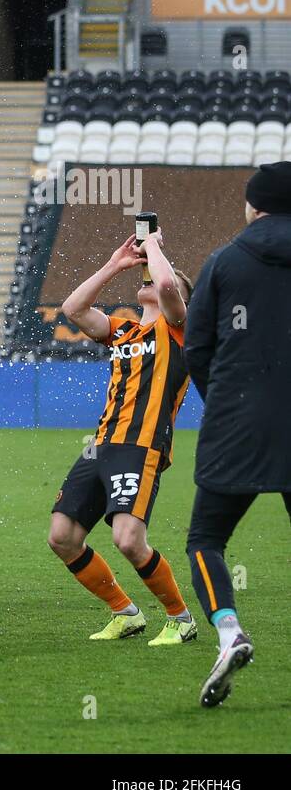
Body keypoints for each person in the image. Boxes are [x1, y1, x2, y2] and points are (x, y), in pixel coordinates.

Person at [47, 229, 197, 646]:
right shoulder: (124, 332)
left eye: (159, 278)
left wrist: (152, 246)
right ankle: (125, 613)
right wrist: (116, 264)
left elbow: (167, 284)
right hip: (100, 446)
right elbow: (73, 308)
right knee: (62, 537)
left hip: (142, 445)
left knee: (128, 539)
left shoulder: (179, 329)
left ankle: (181, 618)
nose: (150, 278)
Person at [184, 161, 291, 707]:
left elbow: (196, 350)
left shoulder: (224, 260)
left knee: (206, 538)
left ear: (253, 207)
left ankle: (229, 633)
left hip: (238, 422)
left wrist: (226, 404)